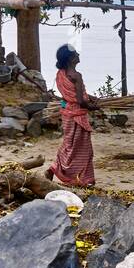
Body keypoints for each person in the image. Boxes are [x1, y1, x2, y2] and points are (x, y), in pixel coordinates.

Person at [46, 43, 100, 186]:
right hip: (78, 116)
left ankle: (54, 168)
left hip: (67, 114)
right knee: (84, 149)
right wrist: (93, 107)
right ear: (70, 59)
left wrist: (90, 97)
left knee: (69, 145)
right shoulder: (76, 76)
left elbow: (75, 95)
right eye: (76, 54)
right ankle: (84, 179)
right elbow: (81, 102)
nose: (78, 55)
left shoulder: (61, 74)